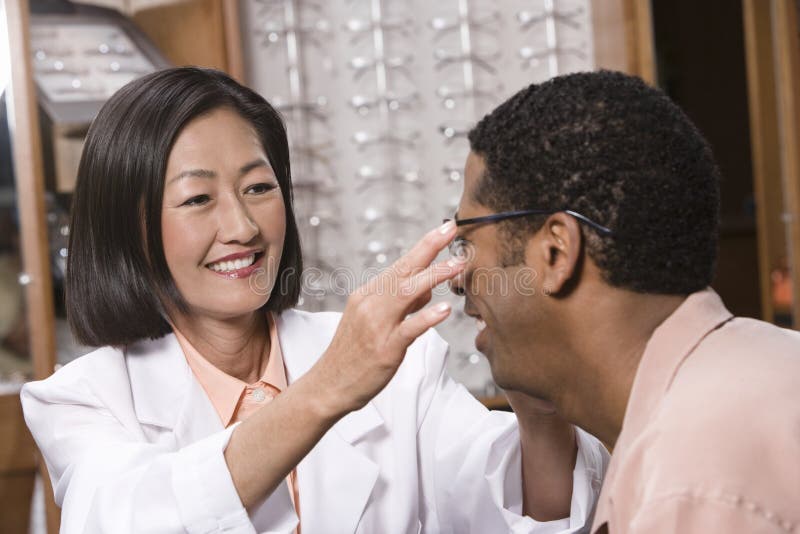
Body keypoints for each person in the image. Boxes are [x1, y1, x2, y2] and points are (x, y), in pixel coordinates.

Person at [20, 67, 608, 534]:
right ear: (131, 226)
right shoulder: (82, 400)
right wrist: (329, 387)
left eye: (259, 187)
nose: (243, 227)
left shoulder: (400, 365)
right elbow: (129, 519)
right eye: (198, 199)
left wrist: (538, 408)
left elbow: (514, 511)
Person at [448, 69, 800, 533]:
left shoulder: (684, 488)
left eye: (468, 240)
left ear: (555, 252)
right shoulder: (769, 359)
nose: (457, 279)